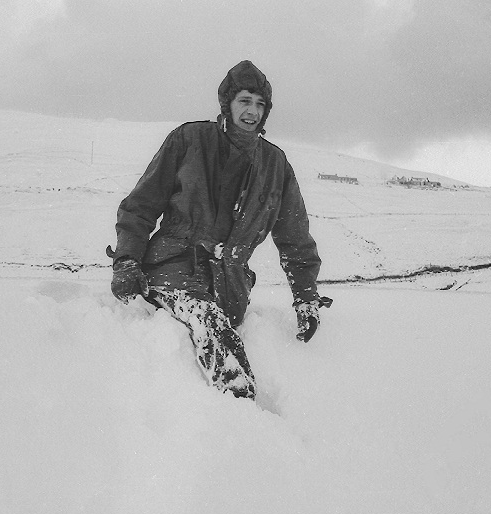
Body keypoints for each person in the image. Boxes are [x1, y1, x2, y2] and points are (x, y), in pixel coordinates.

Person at [108, 60, 331, 400]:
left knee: (215, 315)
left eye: (260, 105)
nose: (252, 112)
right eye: (245, 101)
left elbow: (295, 238)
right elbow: (141, 205)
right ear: (228, 103)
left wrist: (306, 298)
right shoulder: (189, 140)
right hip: (173, 266)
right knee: (204, 317)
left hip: (230, 286)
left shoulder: (276, 166)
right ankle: (239, 408)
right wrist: (127, 260)